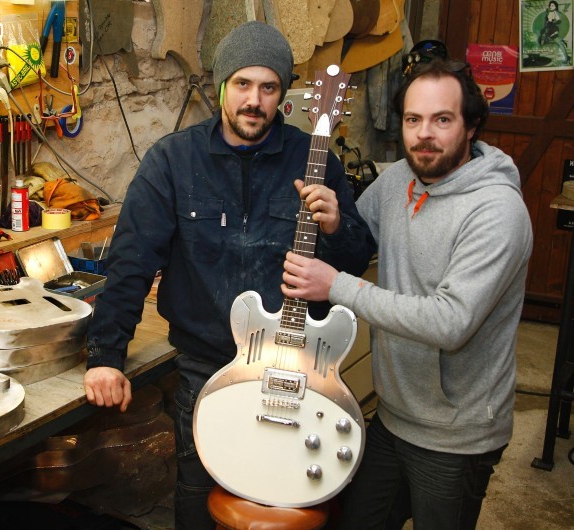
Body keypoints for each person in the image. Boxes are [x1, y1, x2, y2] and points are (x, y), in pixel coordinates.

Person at [82, 21, 375, 529]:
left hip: (302, 373)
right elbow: (131, 262)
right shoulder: (172, 161)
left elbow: (354, 261)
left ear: (283, 96)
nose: (254, 100)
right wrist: (105, 355)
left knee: (303, 492)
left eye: (268, 88)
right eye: (242, 84)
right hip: (207, 367)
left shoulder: (315, 158)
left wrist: (336, 225)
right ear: (220, 87)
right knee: (196, 494)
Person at [285, 57, 533, 529]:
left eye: (442, 119)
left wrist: (335, 285)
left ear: (472, 125)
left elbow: (450, 322)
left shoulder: (497, 212)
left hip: (456, 435)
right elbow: (358, 238)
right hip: (394, 415)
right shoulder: (399, 178)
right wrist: (337, 223)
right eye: (413, 119)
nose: (424, 134)